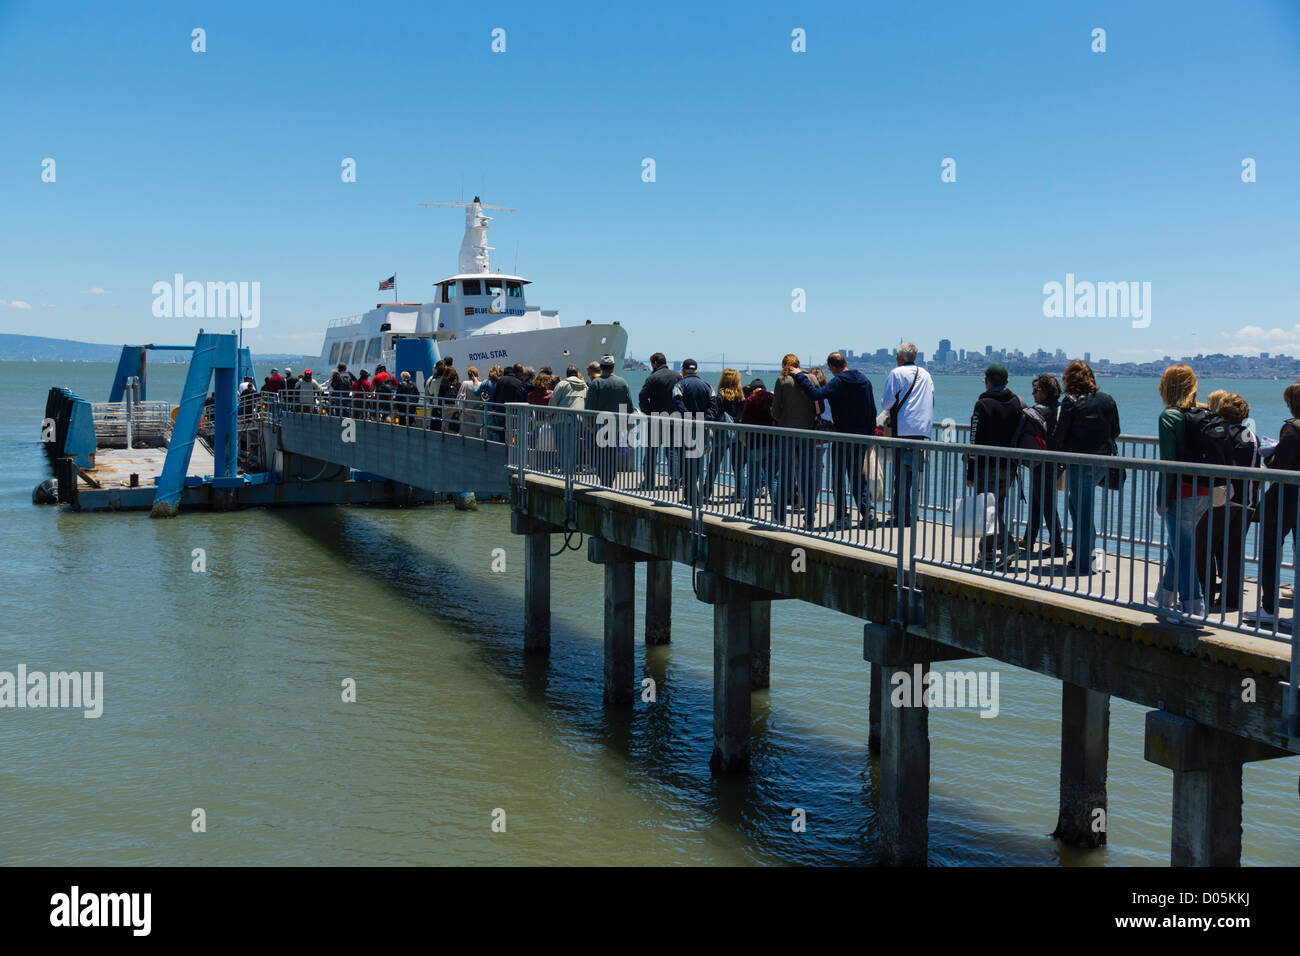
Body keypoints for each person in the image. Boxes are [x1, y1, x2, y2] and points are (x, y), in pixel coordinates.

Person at [1151, 364, 1212, 620]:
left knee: (1183, 551)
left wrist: (1161, 499)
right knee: (1177, 545)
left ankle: (1193, 609)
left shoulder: (1169, 417)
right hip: (1205, 490)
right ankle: (1163, 597)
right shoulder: (1206, 412)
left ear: (1166, 387)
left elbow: (1168, 463)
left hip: (1181, 492)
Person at [792, 351, 877, 530]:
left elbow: (816, 394)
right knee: (857, 477)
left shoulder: (839, 381)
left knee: (838, 478)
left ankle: (841, 517)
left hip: (841, 436)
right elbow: (872, 410)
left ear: (831, 367)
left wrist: (800, 377)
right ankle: (868, 511)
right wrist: (870, 435)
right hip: (861, 437)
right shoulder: (864, 380)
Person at [1050, 361, 1121, 574]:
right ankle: (1082, 556)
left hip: (1078, 462)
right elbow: (1115, 430)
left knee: (1081, 511)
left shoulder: (1070, 402)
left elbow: (1060, 434)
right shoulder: (1108, 400)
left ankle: (1083, 561)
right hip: (1102, 461)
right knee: (1079, 508)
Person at [1197, 392, 1257, 611]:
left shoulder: (1222, 435)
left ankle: (1205, 594)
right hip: (1246, 500)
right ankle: (1231, 600)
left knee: (1205, 546)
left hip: (1223, 500)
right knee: (1233, 551)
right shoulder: (1250, 435)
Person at [1250, 384, 1300, 629]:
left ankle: (1269, 608)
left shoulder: (1292, 429)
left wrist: (1268, 455)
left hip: (1286, 498)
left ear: (1292, 404)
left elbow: (1280, 464)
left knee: (1270, 551)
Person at [965, 363, 1024, 569]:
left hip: (985, 466)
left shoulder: (982, 405)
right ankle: (986, 554)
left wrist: (970, 471)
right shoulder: (1018, 403)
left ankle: (1007, 547)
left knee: (987, 511)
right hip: (1009, 466)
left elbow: (975, 440)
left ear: (987, 380)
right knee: (995, 509)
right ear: (1006, 381)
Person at [879, 343, 935, 527]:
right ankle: (908, 512)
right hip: (921, 431)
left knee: (901, 475)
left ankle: (901, 515)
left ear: (902, 357)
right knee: (911, 475)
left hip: (902, 430)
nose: (896, 358)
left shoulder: (897, 373)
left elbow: (886, 403)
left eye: (897, 355)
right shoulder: (926, 374)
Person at [1021, 373, 1066, 558]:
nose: (1033, 393)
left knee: (1045, 502)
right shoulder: (1063, 408)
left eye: (1037, 389)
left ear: (1046, 391)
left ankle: (1057, 544)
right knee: (1037, 500)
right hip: (1058, 459)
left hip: (1041, 460)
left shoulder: (1039, 410)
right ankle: (1029, 539)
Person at [772, 353, 818, 527]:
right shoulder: (812, 377)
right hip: (808, 433)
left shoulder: (782, 381)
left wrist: (784, 416)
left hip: (787, 432)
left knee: (783, 475)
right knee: (807, 475)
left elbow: (775, 411)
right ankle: (809, 520)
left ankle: (779, 517)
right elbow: (819, 406)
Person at [671, 358, 718, 505]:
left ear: (683, 370)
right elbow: (714, 406)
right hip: (701, 427)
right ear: (696, 370)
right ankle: (693, 494)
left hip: (685, 427)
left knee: (686, 462)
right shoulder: (708, 386)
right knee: (698, 460)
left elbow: (678, 403)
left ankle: (691, 496)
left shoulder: (679, 385)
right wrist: (704, 419)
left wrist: (689, 417)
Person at [586, 355, 633, 486]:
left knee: (599, 454)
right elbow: (628, 405)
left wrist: (588, 423)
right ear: (613, 367)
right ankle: (610, 480)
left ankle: (603, 480)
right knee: (612, 454)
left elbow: (589, 406)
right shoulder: (622, 382)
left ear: (601, 368)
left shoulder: (596, 383)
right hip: (616, 426)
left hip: (599, 426)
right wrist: (627, 422)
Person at [637, 352, 681, 491]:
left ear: (655, 363)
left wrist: (648, 412)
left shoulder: (653, 378)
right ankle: (674, 480)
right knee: (672, 450)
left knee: (651, 450)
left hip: (656, 418)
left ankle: (649, 481)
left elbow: (642, 396)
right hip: (674, 418)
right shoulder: (677, 376)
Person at [705, 368, 747, 502]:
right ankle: (740, 495)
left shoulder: (719, 398)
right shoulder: (742, 398)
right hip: (738, 435)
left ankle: (706, 493)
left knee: (714, 465)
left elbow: (714, 416)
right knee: (738, 466)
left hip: (722, 435)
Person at [739, 378, 775, 517]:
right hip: (773, 443)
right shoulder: (773, 398)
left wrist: (745, 442)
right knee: (774, 479)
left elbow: (745, 422)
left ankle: (748, 510)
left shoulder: (750, 400)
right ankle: (778, 514)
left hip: (756, 444)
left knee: (753, 479)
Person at [457, 366, 484, 437]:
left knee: (468, 436)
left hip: (468, 413)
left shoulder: (465, 383)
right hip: (479, 414)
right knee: (478, 434)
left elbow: (459, 398)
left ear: (468, 374)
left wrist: (459, 410)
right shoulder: (481, 384)